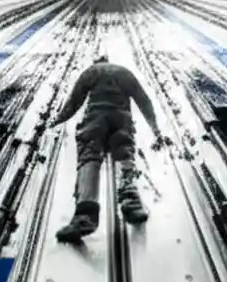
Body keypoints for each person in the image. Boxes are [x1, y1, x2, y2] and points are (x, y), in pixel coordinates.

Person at [49, 53, 163, 243]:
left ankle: (85, 216)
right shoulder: (125, 72)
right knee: (124, 154)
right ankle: (131, 202)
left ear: (96, 62)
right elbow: (144, 101)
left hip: (95, 121)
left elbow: (73, 104)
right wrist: (155, 129)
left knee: (89, 159)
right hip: (121, 120)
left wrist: (55, 121)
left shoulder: (91, 72)